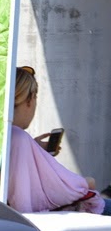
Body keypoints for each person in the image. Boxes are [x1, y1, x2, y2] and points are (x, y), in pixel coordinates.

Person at [6, 66, 109, 215]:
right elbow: (66, 191)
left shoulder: (1, 136)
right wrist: (87, 182)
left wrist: (35, 151)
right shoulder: (18, 137)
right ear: (29, 99)